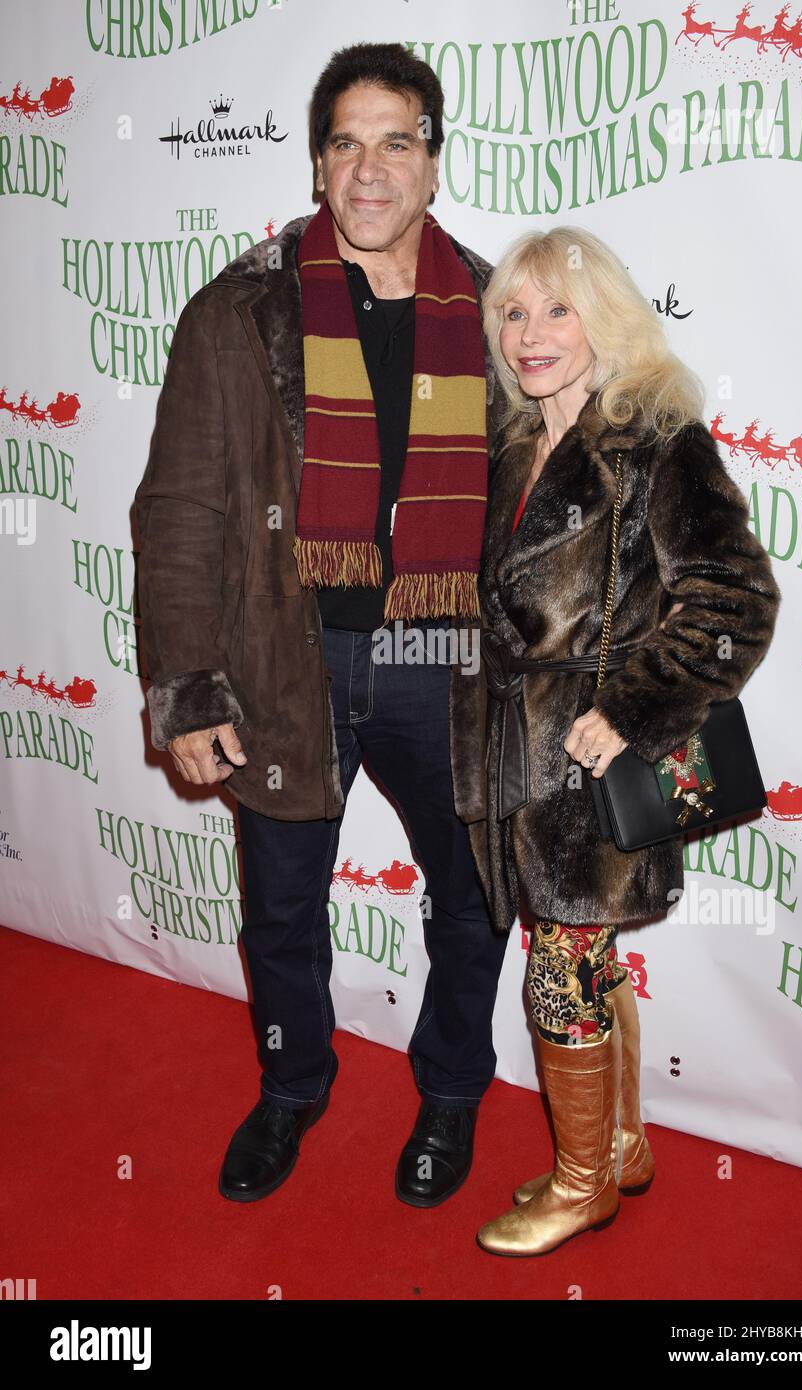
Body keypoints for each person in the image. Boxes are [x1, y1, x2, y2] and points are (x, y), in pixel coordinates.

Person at [133, 42, 511, 1209]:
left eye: (397, 139)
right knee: (282, 907)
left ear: (433, 164)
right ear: (315, 163)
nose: (369, 167)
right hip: (283, 654)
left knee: (472, 896)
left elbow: (551, 508)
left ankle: (451, 1089)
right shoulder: (239, 310)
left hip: (436, 652)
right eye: (345, 141)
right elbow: (182, 506)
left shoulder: (499, 312)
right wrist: (187, 688)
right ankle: (293, 1087)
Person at [447, 225, 782, 1256]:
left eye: (556, 309)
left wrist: (632, 710)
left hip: (593, 768)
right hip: (513, 757)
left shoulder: (654, 436)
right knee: (582, 959)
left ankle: (580, 1182)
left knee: (559, 965)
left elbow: (735, 599)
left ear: (605, 321)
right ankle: (623, 1141)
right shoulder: (510, 440)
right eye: (512, 309)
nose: (530, 332)